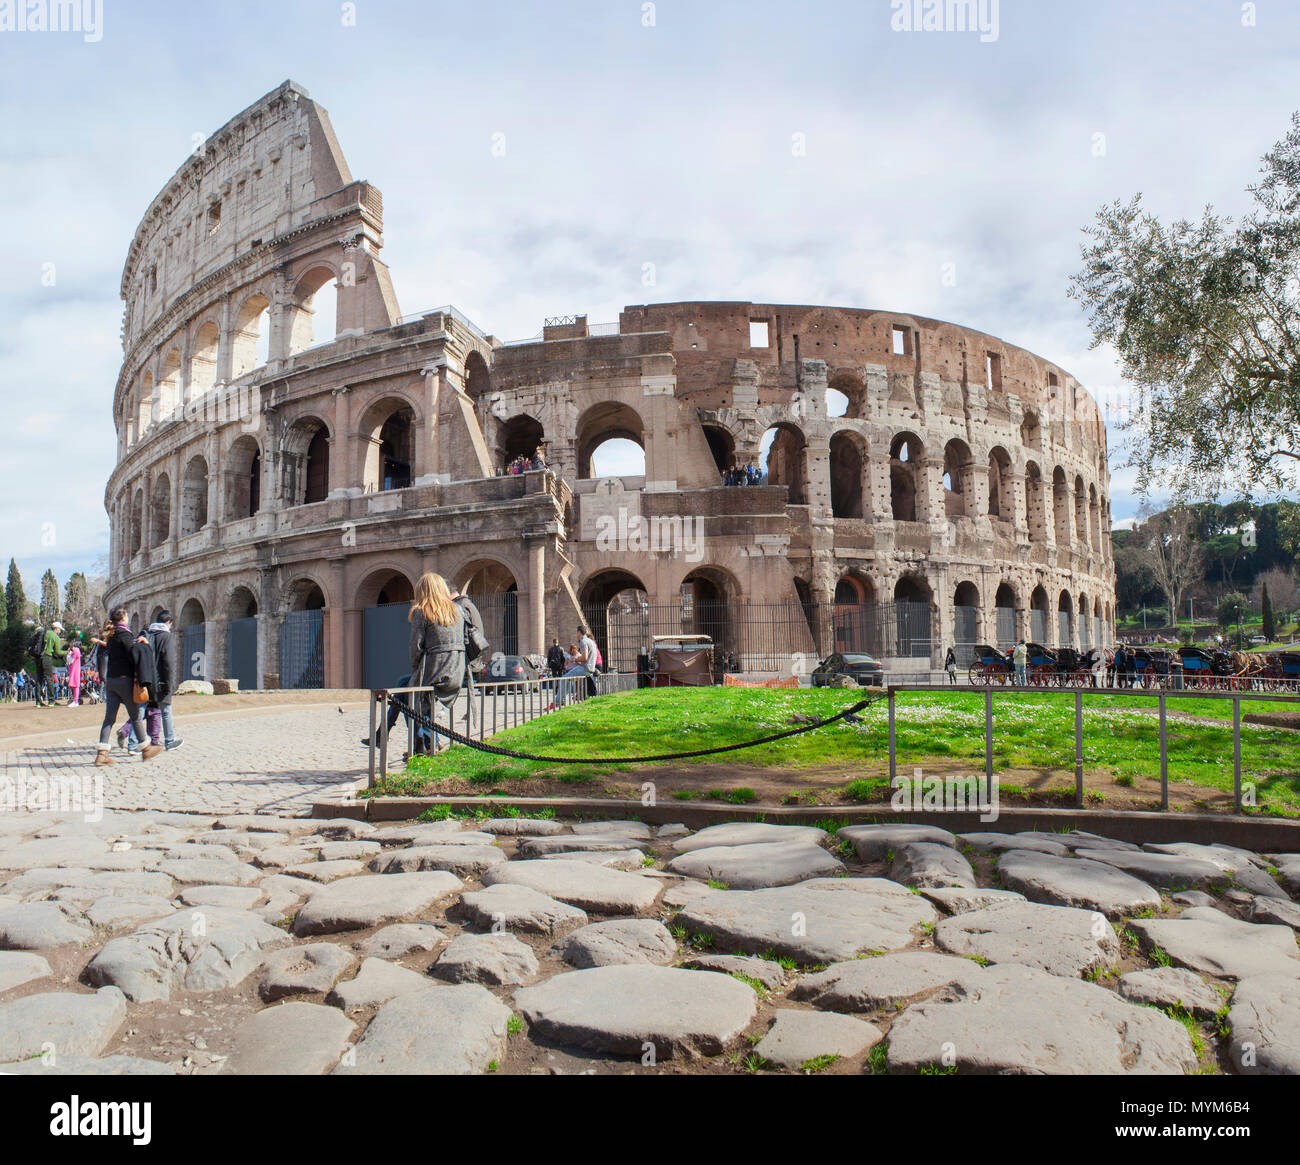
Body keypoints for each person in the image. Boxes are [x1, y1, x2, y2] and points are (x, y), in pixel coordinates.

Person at [408, 573, 466, 754]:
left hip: (434, 673)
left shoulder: (422, 611)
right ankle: (421, 742)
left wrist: (416, 667)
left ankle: (423, 744)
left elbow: (415, 649)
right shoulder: (458, 610)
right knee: (402, 687)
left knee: (407, 694)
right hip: (456, 672)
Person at [94, 608, 158, 765]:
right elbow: (132, 654)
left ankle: (102, 755)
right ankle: (146, 749)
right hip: (124, 680)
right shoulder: (125, 634)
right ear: (123, 618)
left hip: (111, 681)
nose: (128, 617)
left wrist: (136, 643)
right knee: (136, 715)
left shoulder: (112, 635)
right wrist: (144, 644)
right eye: (127, 615)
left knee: (109, 718)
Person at [144, 611, 184, 752]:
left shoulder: (147, 634)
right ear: (168, 622)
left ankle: (133, 742)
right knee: (166, 710)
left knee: (141, 710)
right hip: (160, 679)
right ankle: (169, 740)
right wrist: (170, 682)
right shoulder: (166, 637)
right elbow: (168, 662)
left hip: (146, 679)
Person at [35, 621, 68, 707]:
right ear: (56, 629)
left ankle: (38, 701)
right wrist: (66, 652)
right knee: (49, 678)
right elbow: (58, 652)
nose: (60, 631)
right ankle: (51, 700)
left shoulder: (44, 633)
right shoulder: (55, 637)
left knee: (39, 679)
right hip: (47, 657)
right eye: (59, 629)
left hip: (38, 657)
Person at [66, 635, 82, 706]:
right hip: (75, 669)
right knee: (75, 685)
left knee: (75, 685)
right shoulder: (77, 650)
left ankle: (75, 701)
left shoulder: (75, 650)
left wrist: (68, 654)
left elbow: (70, 660)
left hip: (74, 670)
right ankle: (75, 700)